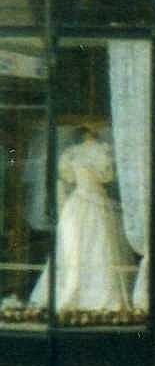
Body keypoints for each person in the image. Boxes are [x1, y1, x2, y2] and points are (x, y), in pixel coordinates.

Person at [28, 125, 134, 315]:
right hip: (95, 201)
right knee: (97, 245)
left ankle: (78, 293)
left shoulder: (71, 154)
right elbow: (107, 177)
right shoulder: (102, 151)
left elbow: (67, 177)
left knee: (79, 247)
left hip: (77, 202)